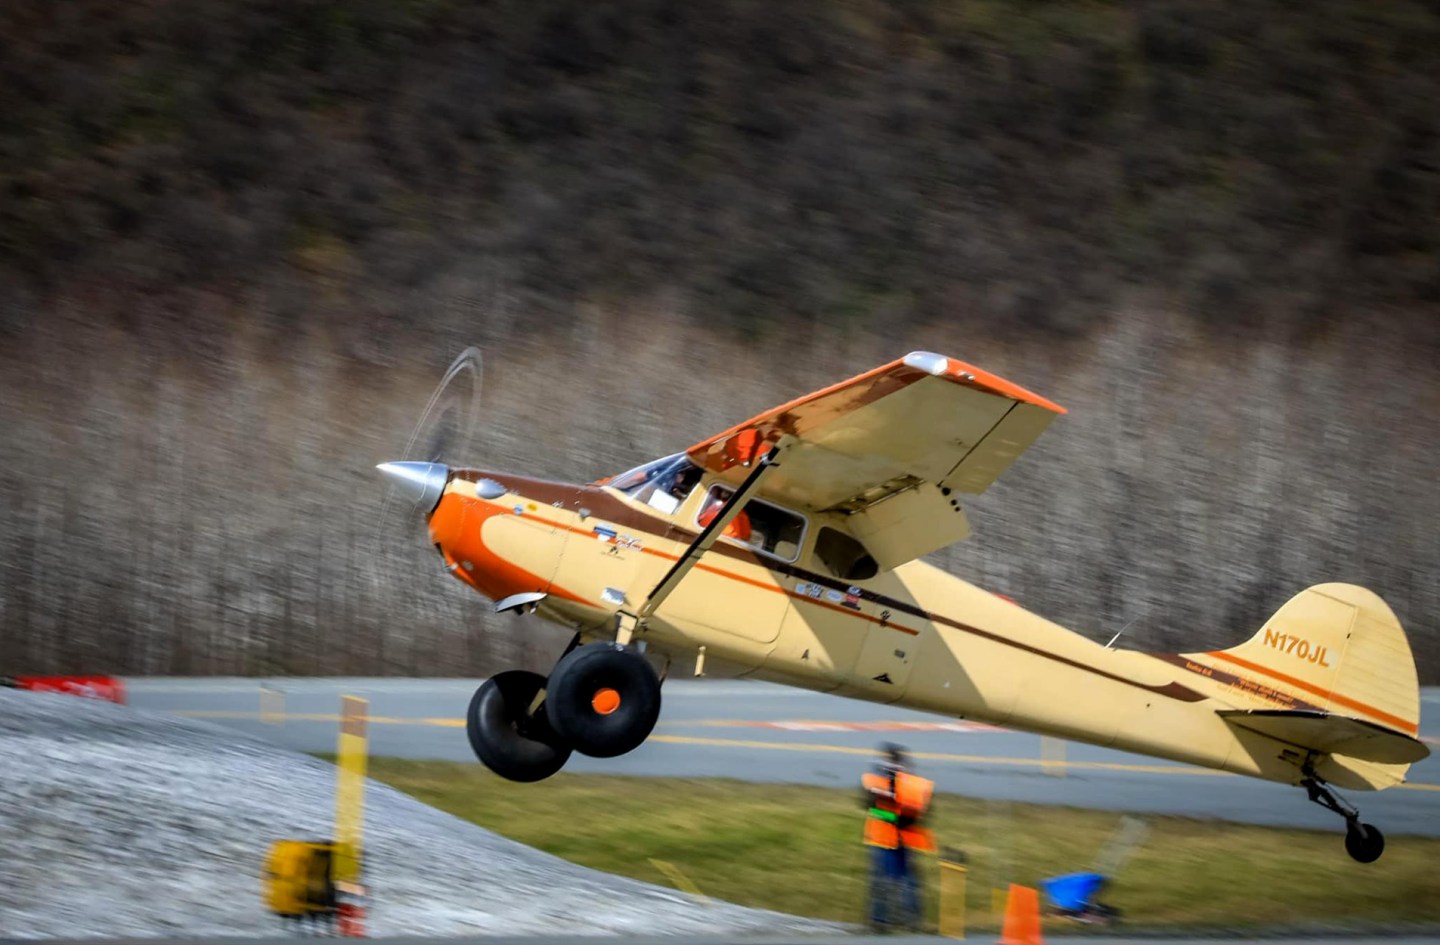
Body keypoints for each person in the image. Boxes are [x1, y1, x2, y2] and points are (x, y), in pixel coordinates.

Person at [862, 743, 935, 931]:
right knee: (882, 880)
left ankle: (911, 921)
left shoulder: (914, 785)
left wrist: (900, 815)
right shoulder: (876, 782)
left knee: (907, 881)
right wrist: (891, 812)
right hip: (882, 838)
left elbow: (921, 811)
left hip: (904, 838)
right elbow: (869, 806)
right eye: (889, 762)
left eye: (895, 762)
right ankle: (879, 920)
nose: (892, 766)